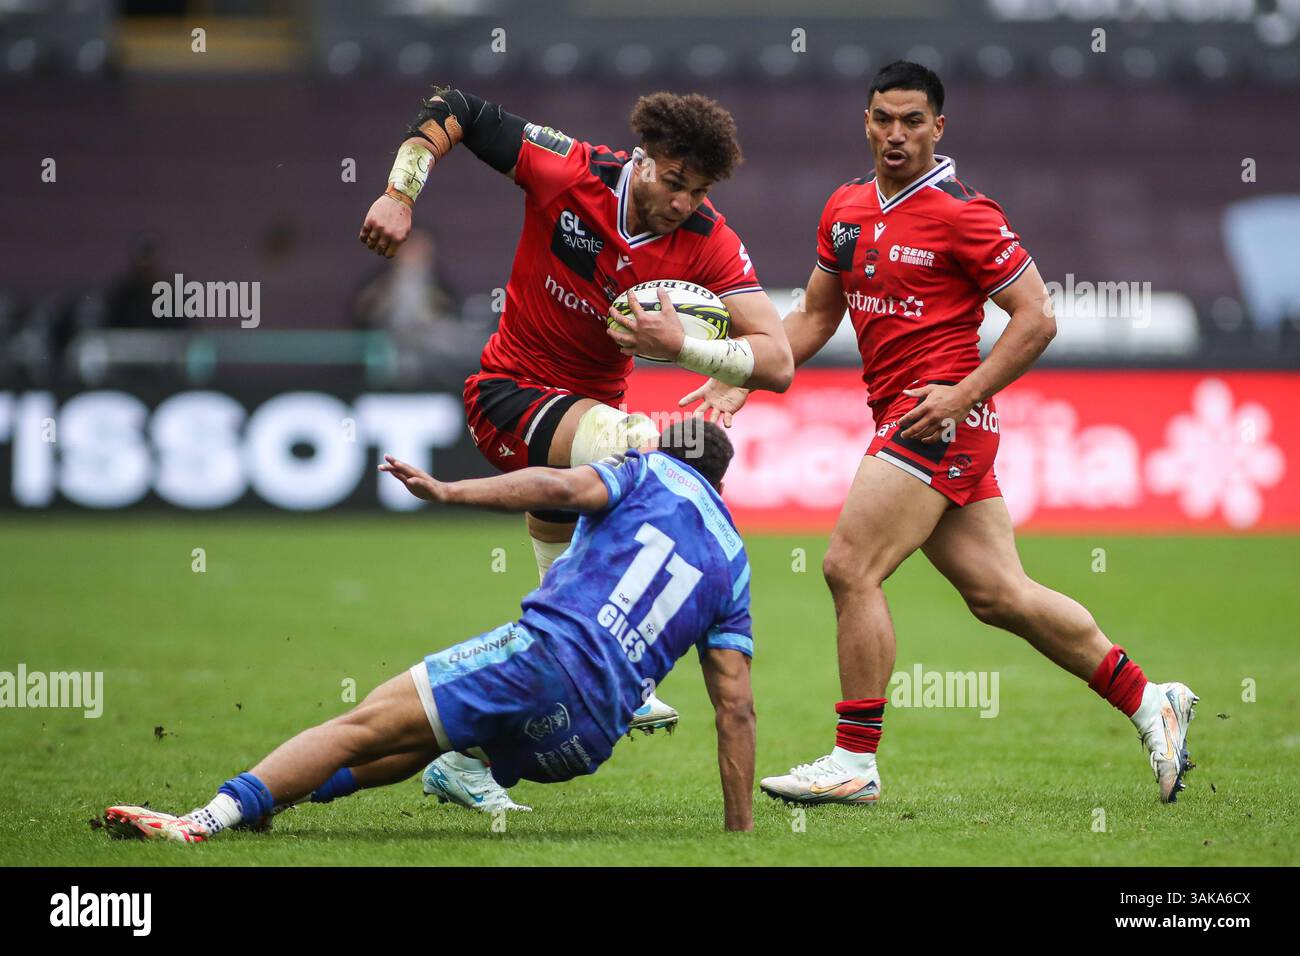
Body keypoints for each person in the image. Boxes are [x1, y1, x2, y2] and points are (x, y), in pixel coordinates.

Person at [695, 61, 1198, 806]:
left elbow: (1038, 317)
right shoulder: (845, 207)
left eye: (911, 121)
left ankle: (854, 760)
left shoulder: (966, 213)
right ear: (865, 122)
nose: (895, 135)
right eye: (881, 119)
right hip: (911, 417)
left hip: (939, 420)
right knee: (1002, 595)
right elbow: (813, 318)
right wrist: (740, 377)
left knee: (846, 566)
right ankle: (1149, 698)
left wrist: (962, 395)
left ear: (939, 127)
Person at [357, 86, 791, 807]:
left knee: (569, 582)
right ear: (645, 160)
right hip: (506, 392)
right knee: (643, 453)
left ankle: (472, 759)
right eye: (675, 183)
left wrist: (678, 344)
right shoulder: (570, 171)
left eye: (699, 191)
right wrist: (400, 194)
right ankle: (625, 665)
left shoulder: (708, 239)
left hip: (579, 418)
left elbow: (776, 361)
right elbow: (455, 108)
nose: (684, 202)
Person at [103, 420, 757, 842]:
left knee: (358, 727)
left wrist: (452, 493)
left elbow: (558, 484)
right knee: (422, 742)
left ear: (668, 453)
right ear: (721, 483)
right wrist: (739, 833)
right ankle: (272, 802)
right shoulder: (733, 562)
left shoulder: (646, 472)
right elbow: (736, 707)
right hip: (584, 742)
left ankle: (202, 822)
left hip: (541, 661)